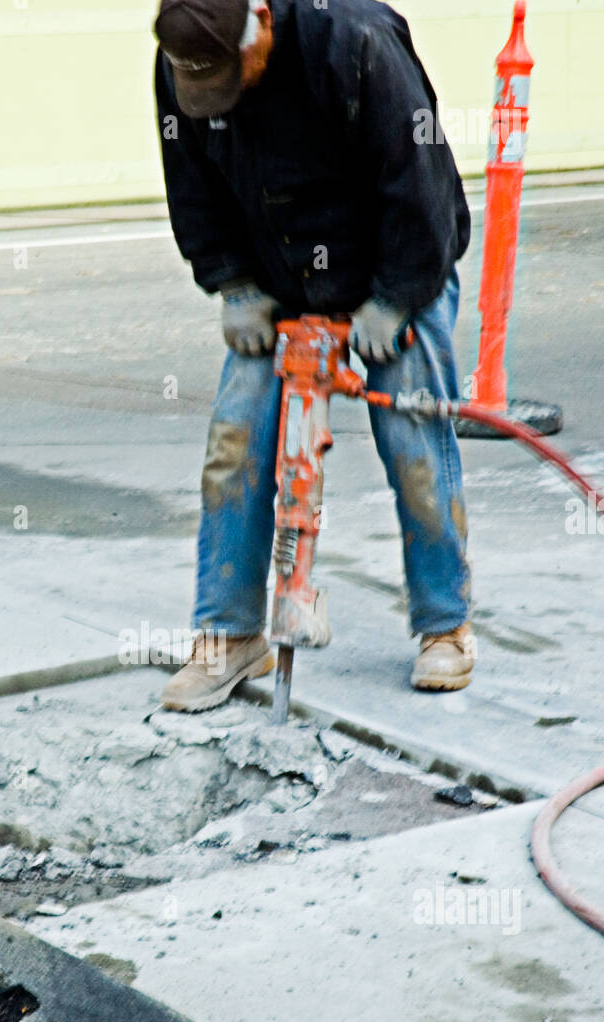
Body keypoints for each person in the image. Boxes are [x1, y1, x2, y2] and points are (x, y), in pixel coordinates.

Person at [154, 0, 475, 712]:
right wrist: (231, 282)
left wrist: (394, 299)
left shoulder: (355, 41)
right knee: (236, 445)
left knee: (413, 436)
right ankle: (231, 636)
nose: (218, 94)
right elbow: (193, 186)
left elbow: (418, 182)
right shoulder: (186, 55)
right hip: (279, 279)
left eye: (232, 74)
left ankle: (445, 625)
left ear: (261, 20)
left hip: (395, 267)